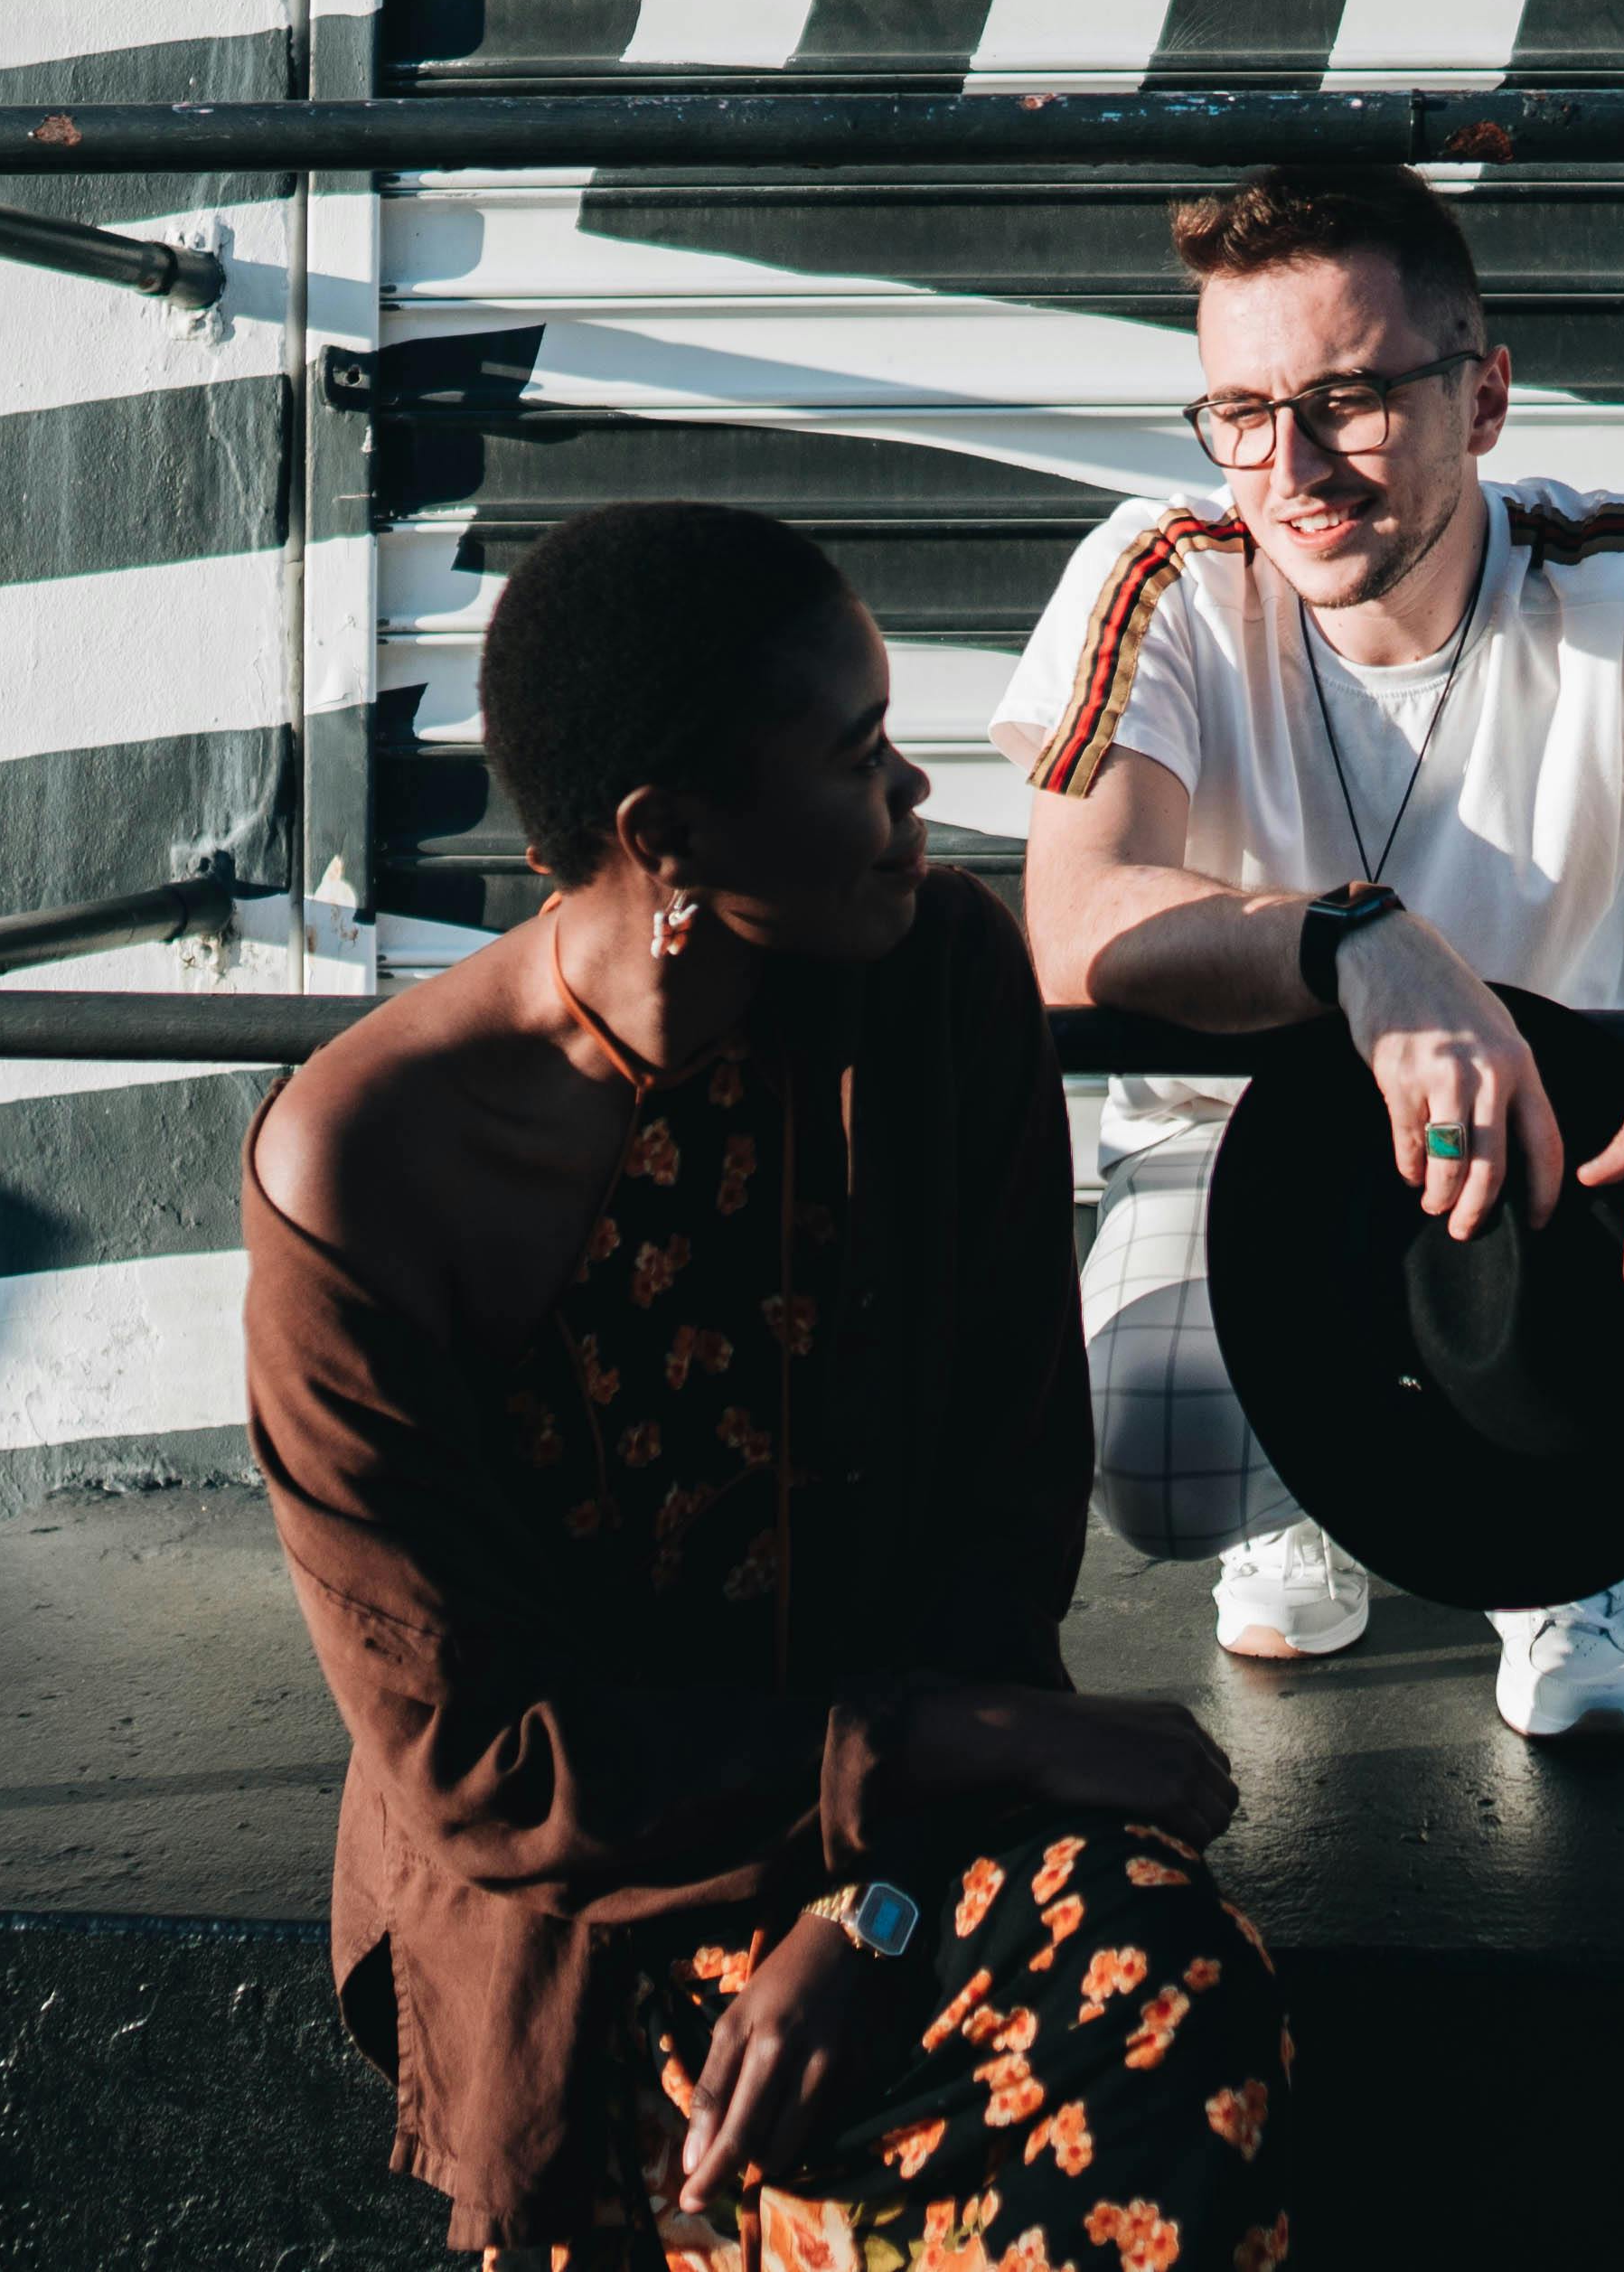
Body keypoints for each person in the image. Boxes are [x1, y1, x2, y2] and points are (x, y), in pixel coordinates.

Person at [247, 500, 1293, 2272]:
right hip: (587, 1882)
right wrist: (950, 1747)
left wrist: (876, 1898)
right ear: (669, 835)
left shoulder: (935, 984)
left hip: (917, 1845)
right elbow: (486, 1765)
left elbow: (1001, 1514)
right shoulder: (364, 1165)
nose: (914, 798)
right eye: (858, 751)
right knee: (734, 2114)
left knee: (1169, 1975)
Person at [998, 163, 1624, 1739]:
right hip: (1248, 1172)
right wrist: (1349, 945)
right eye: (1241, 412)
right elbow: (1078, 923)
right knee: (1168, 1462)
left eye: (1348, 398)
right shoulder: (1167, 575)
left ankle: (1561, 1508)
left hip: (1562, 1165)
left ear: (1487, 395)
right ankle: (1324, 1487)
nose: (1292, 466)